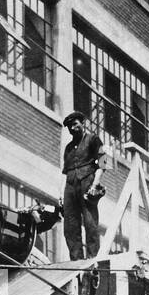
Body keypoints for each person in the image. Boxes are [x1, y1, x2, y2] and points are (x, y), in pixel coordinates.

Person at [61, 110, 106, 261]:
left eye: (75, 124)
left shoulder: (93, 139)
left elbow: (103, 163)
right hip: (70, 186)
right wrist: (61, 194)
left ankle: (93, 258)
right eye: (70, 127)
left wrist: (95, 184)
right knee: (70, 225)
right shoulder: (68, 148)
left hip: (87, 182)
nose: (73, 128)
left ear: (83, 123)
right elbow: (65, 172)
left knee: (90, 222)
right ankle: (76, 261)